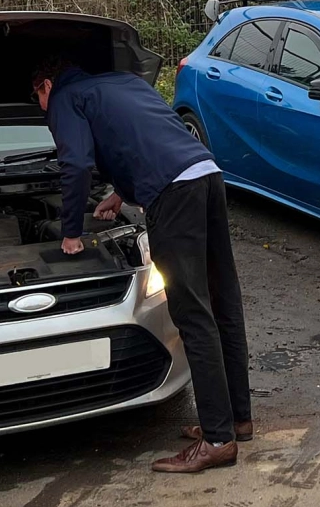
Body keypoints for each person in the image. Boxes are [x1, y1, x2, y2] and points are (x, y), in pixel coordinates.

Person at [31, 56, 251, 473]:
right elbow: (142, 138)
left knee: (192, 313)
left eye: (37, 99)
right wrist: (121, 193)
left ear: (44, 85)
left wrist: (72, 231)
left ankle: (218, 440)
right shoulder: (118, 82)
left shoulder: (64, 97)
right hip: (206, 175)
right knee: (222, 304)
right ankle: (235, 419)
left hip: (174, 195)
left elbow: (75, 164)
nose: (43, 109)